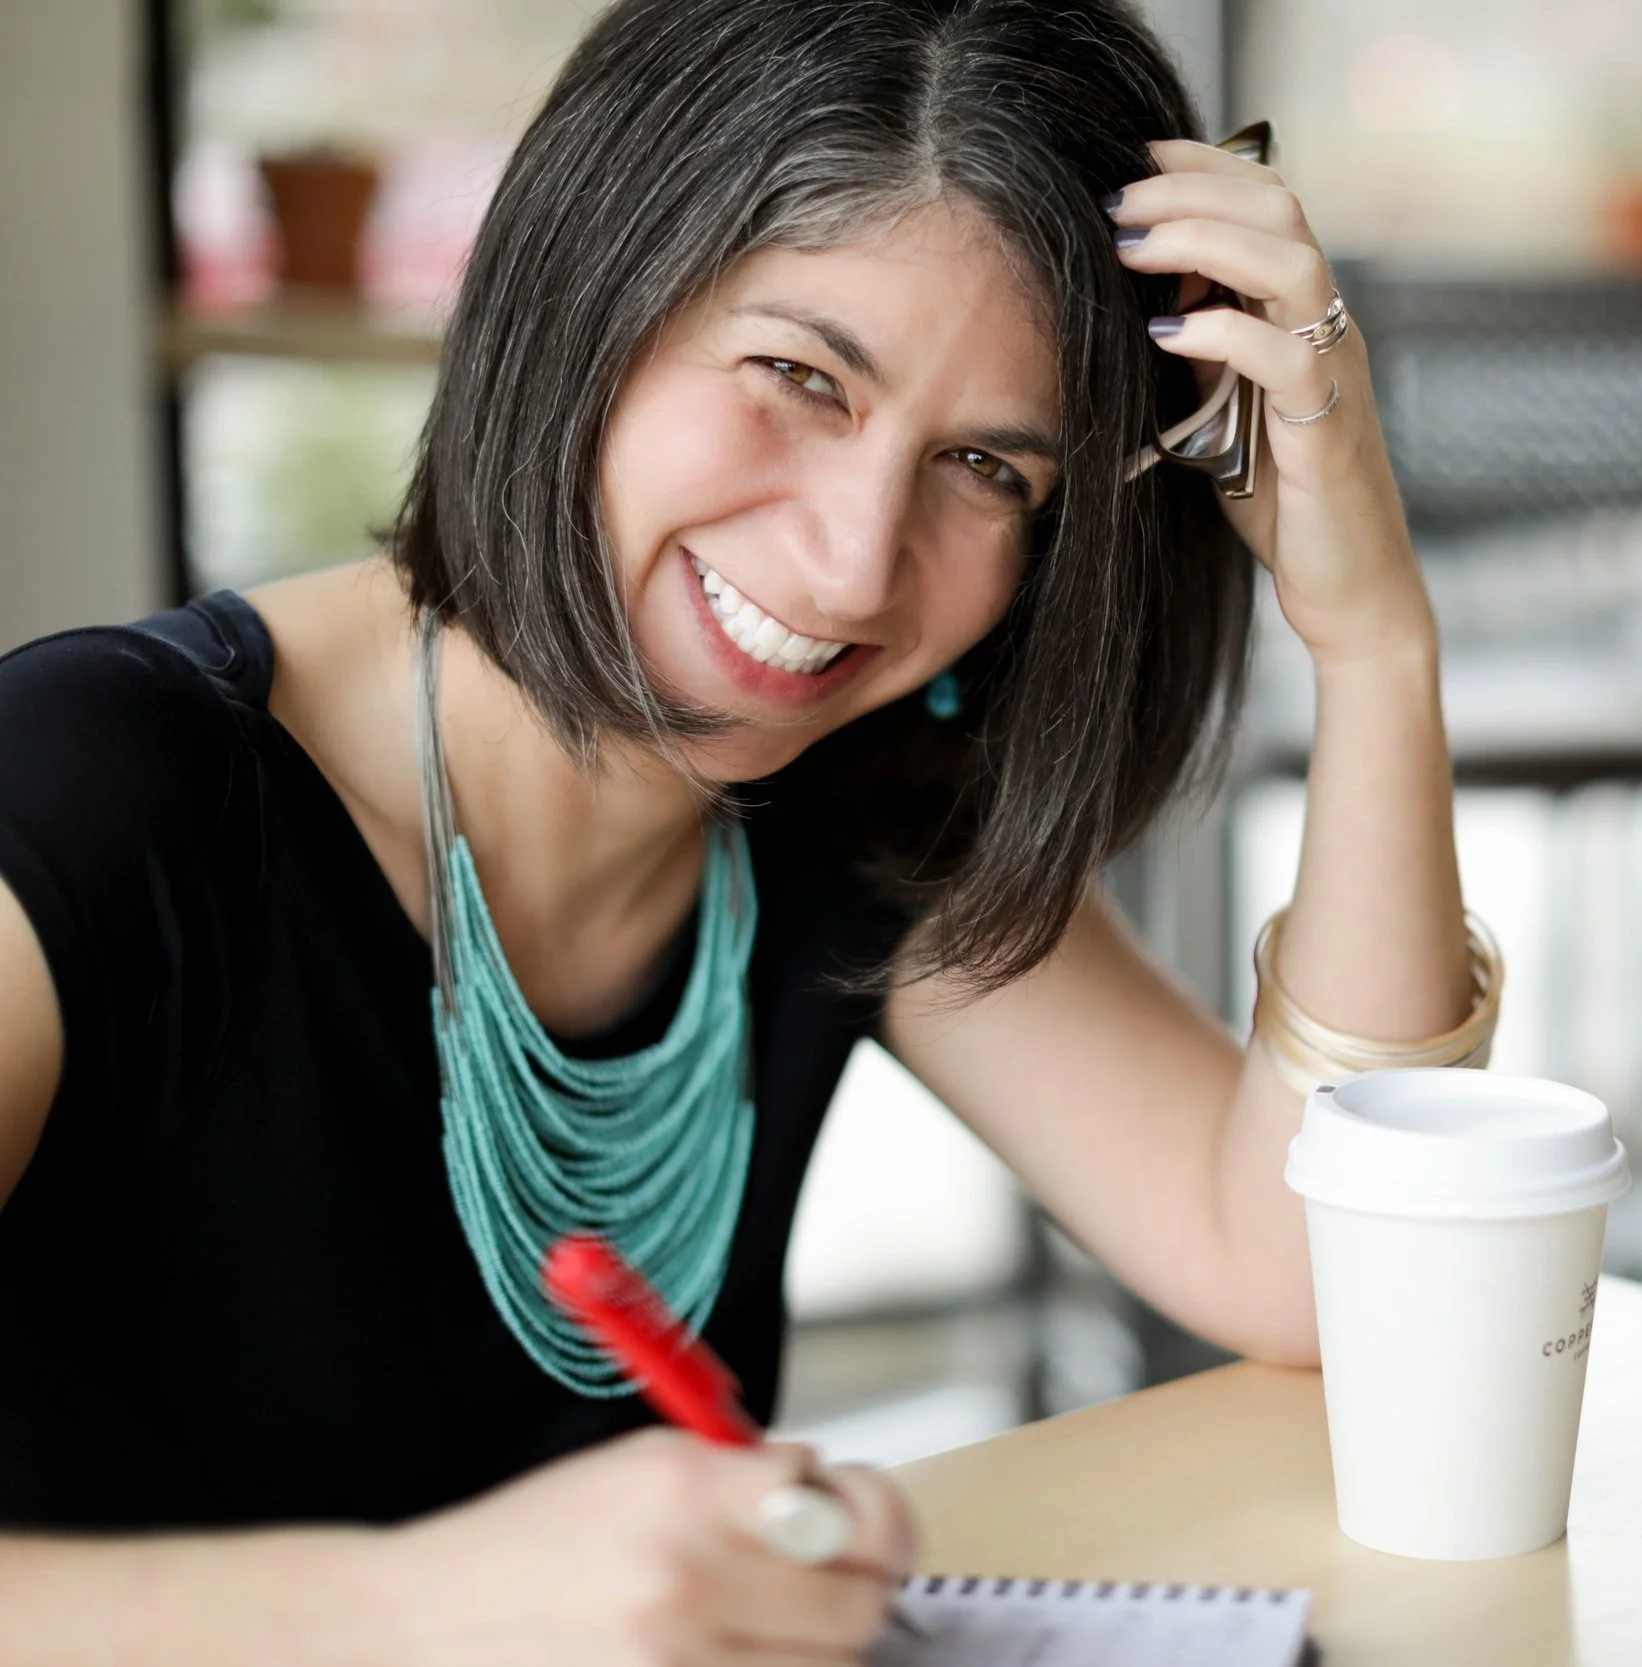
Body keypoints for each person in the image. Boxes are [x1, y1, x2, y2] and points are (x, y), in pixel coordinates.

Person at [0, 0, 1489, 1659]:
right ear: (587, 288)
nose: (854, 564)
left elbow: (1311, 1264)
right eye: (799, 376)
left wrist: (1374, 639)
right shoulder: (86, 790)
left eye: (987, 468)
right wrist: (426, 1609)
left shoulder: (852, 804)